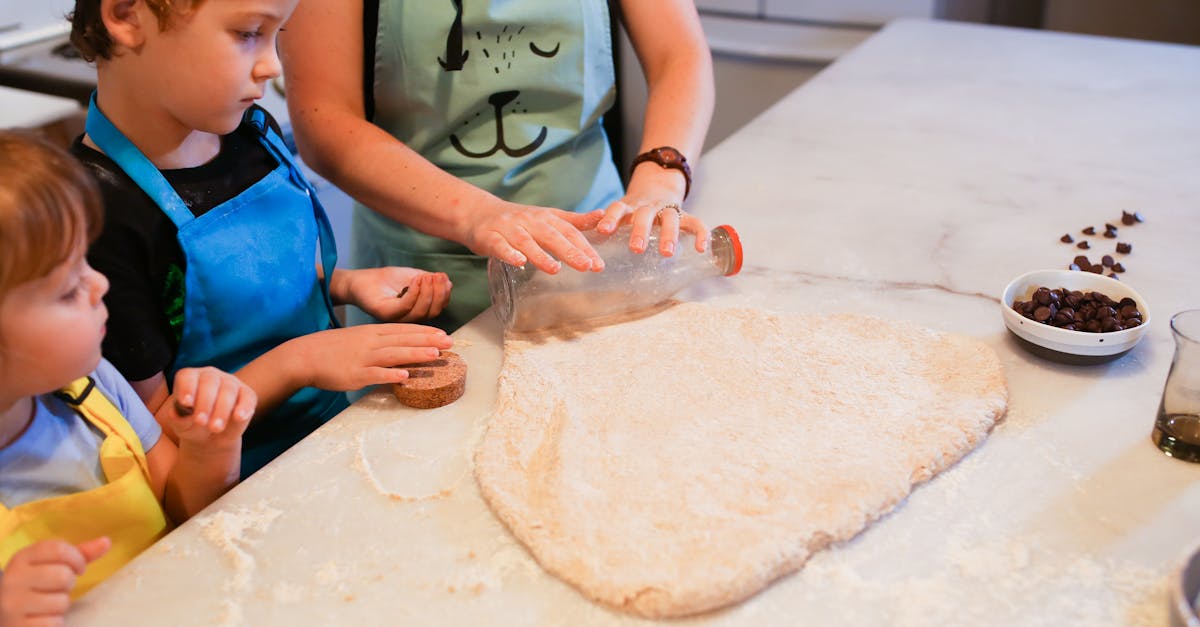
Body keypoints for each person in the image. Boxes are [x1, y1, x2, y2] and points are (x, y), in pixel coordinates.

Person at [67, 0, 456, 476]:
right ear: (127, 16)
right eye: (249, 32)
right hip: (235, 484)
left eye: (278, 35)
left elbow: (239, 275)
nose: (272, 65)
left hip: (333, 433)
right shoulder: (97, 219)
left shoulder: (252, 135)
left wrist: (347, 284)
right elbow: (157, 437)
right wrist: (300, 362)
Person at [280, 0, 716, 330]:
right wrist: (479, 214)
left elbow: (678, 56)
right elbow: (324, 120)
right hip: (424, 282)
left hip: (596, 257)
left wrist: (659, 179)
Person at [0, 130, 257, 619]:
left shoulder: (92, 384)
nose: (100, 284)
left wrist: (208, 447)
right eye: (69, 288)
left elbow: (180, 509)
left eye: (87, 264)